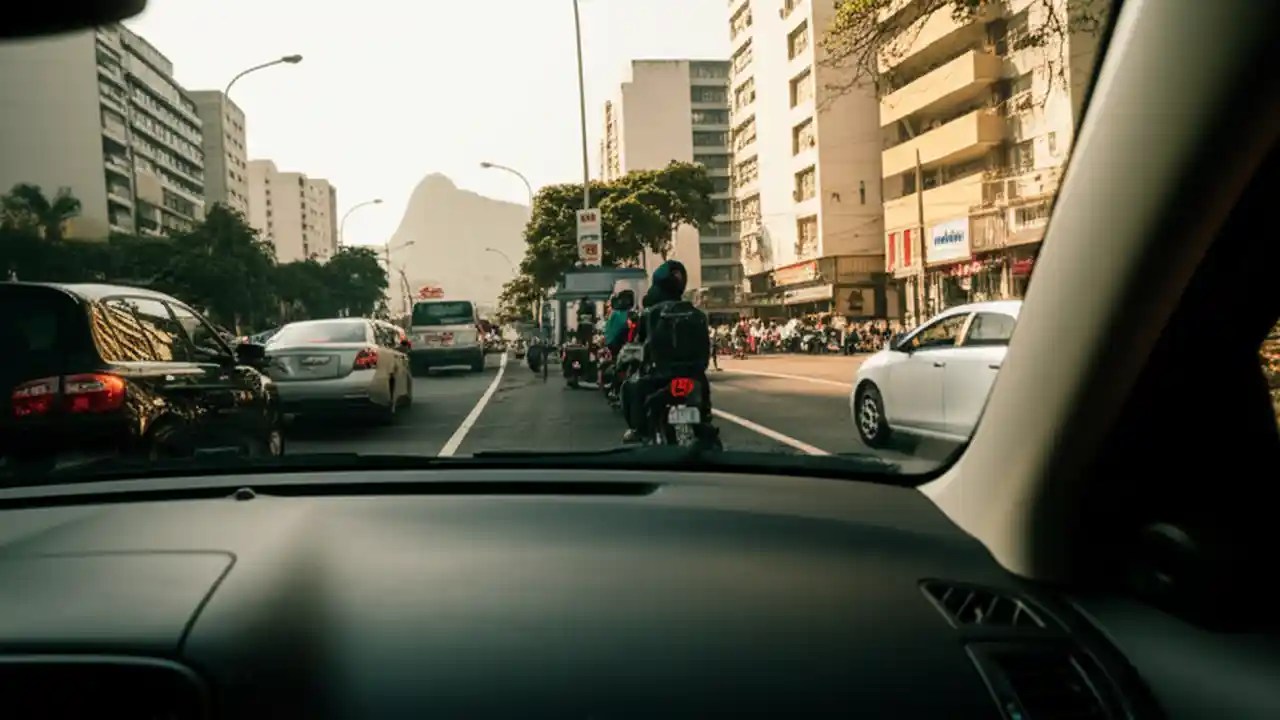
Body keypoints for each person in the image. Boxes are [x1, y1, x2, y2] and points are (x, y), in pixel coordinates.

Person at [620, 260, 718, 445]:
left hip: (660, 375)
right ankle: (704, 422)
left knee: (631, 386)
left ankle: (638, 430)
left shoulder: (649, 313)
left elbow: (636, 342)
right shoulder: (695, 313)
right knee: (704, 409)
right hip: (694, 374)